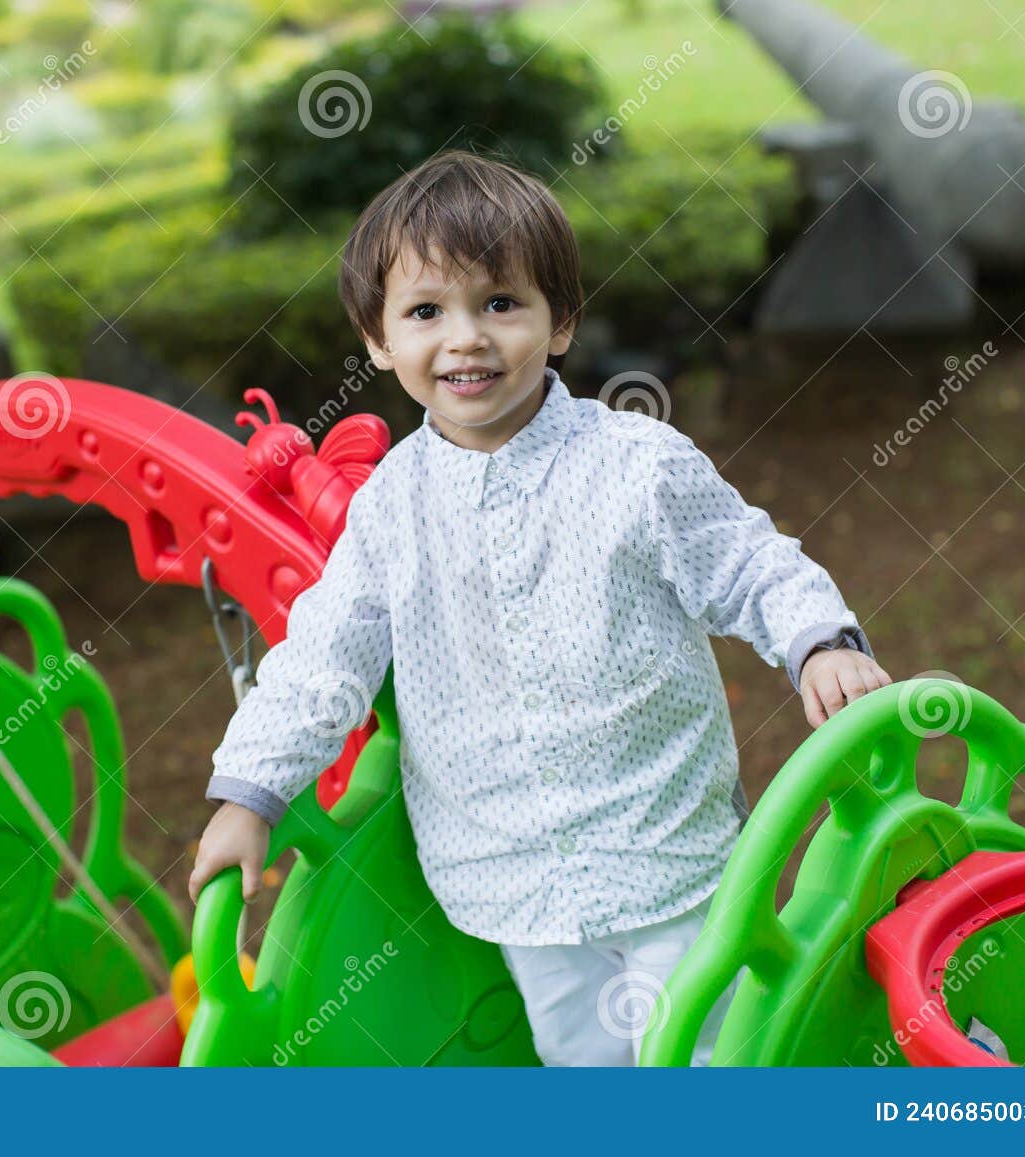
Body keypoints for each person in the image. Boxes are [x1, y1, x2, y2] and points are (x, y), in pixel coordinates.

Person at [188, 148, 892, 1066]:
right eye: (426, 312)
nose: (466, 339)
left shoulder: (636, 464)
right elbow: (323, 659)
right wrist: (250, 793)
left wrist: (819, 641)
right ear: (377, 338)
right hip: (507, 876)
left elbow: (750, 562)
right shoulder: (391, 507)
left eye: (500, 303)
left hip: (665, 848)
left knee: (711, 1057)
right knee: (585, 1067)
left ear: (561, 321)